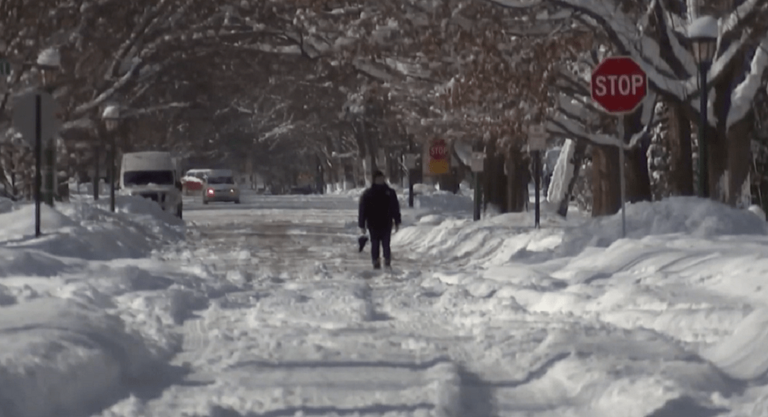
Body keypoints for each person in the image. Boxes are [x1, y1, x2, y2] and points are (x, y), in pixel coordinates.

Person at [358, 170, 402, 269]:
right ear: (374, 180)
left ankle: (387, 260)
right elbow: (363, 209)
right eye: (378, 179)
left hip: (386, 222)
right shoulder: (368, 194)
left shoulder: (390, 193)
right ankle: (375, 260)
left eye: (382, 178)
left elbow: (395, 207)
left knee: (386, 243)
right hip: (373, 223)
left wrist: (397, 220)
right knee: (375, 243)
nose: (380, 181)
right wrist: (362, 224)